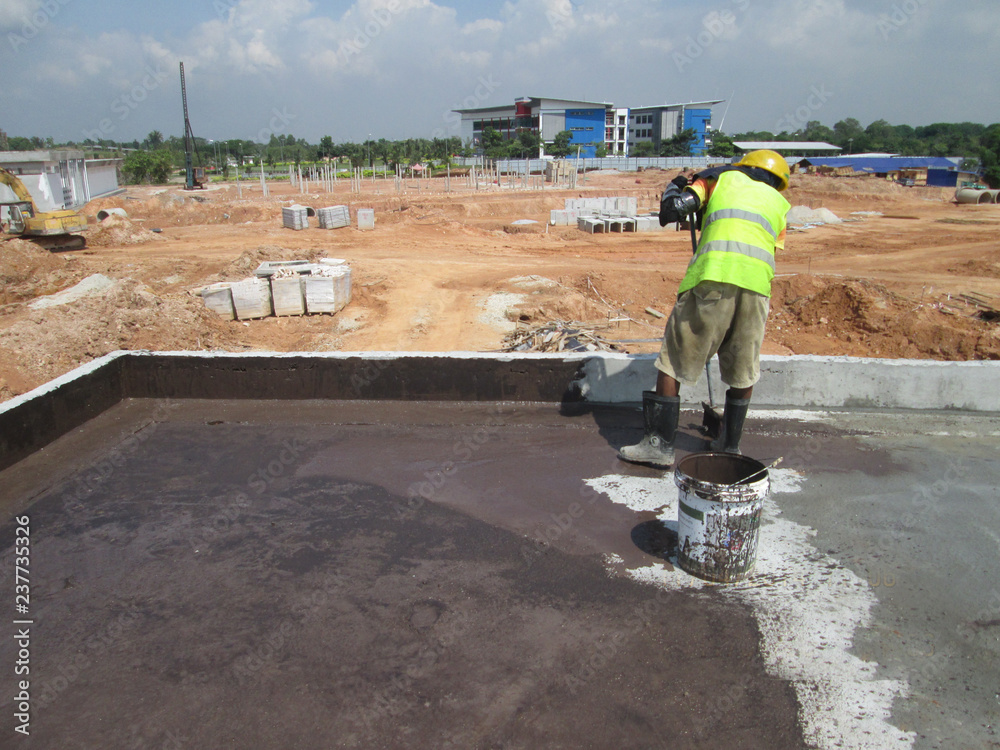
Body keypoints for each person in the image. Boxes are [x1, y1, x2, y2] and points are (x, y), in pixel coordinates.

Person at [618, 150, 791, 468]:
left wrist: (676, 186)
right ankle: (730, 443)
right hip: (757, 289)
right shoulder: (779, 203)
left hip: (713, 277)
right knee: (743, 366)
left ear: (744, 166)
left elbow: (674, 210)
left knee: (674, 357)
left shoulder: (718, 178)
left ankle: (658, 445)